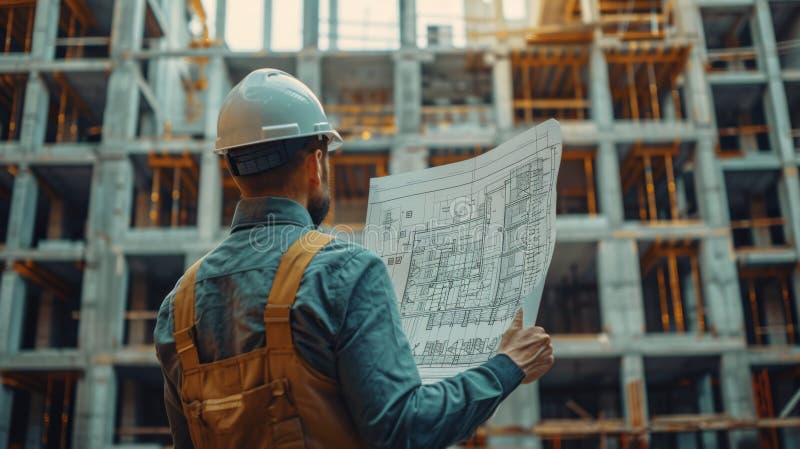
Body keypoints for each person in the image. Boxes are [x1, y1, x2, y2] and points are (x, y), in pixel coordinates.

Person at [154, 68, 554, 449]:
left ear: (232, 167)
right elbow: (404, 430)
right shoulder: (344, 271)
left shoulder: (179, 305)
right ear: (315, 163)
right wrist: (507, 365)